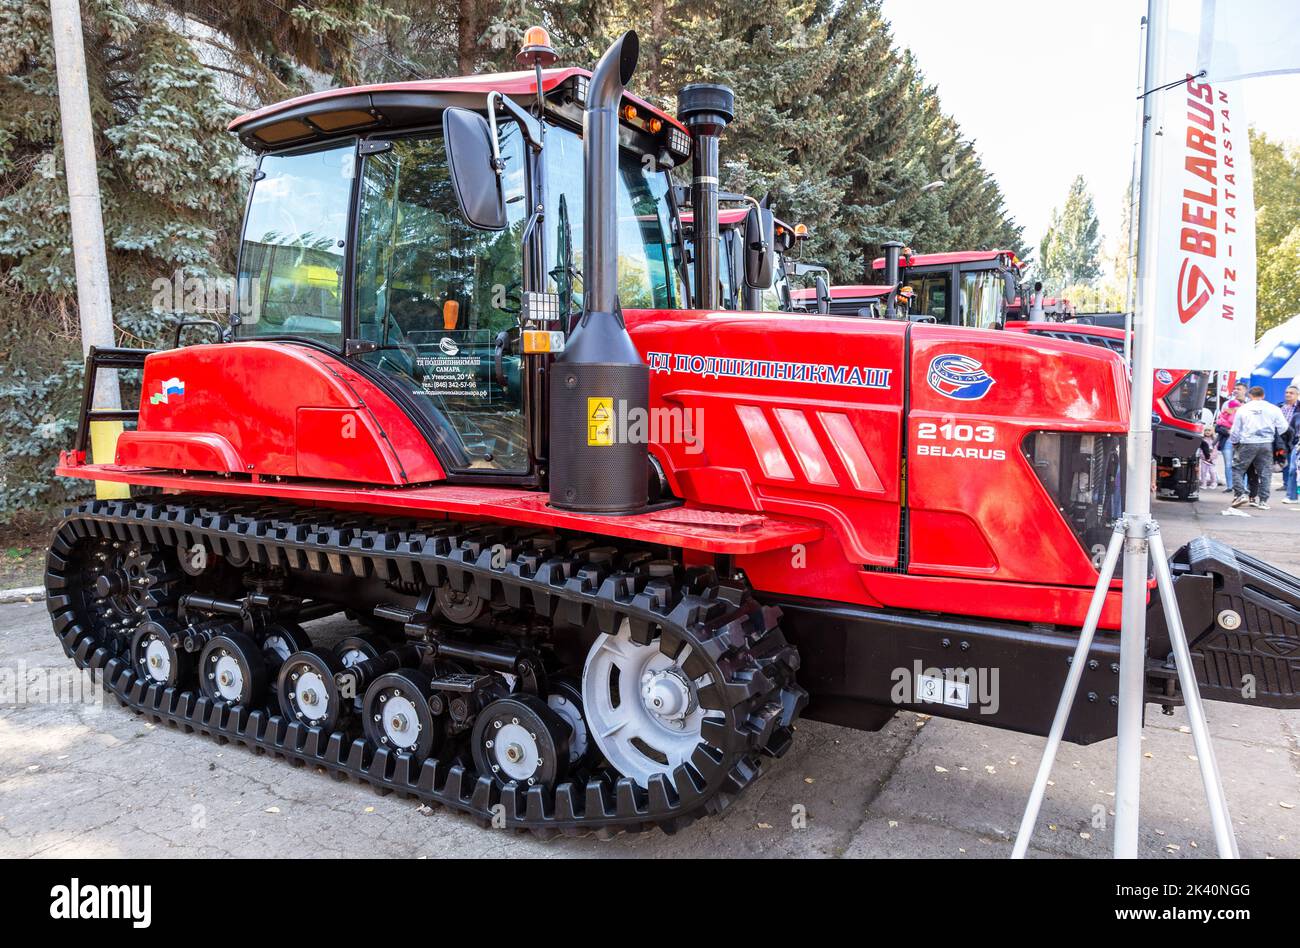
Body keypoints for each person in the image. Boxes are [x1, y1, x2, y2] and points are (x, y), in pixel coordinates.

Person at [1230, 386, 1288, 509]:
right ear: (1263, 395)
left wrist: (1235, 442)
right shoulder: (1274, 408)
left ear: (1250, 396)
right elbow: (1283, 426)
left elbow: (1235, 430)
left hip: (1248, 442)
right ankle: (1263, 501)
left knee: (1238, 468)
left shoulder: (1243, 409)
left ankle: (1241, 494)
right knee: (1265, 472)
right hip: (1267, 442)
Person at [1279, 384, 1300, 504]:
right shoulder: (1296, 416)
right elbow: (1291, 431)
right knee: (1292, 469)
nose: (1288, 395)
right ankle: (1291, 496)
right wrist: (1291, 444)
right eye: (1286, 392)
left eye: (1291, 393)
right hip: (1296, 446)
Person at [1215, 398, 1240, 491]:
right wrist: (1228, 432)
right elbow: (1217, 428)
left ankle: (1242, 486)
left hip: (1239, 442)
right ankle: (1230, 486)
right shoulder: (1223, 415)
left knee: (1241, 465)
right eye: (1232, 407)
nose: (1233, 409)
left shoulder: (1242, 416)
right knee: (1228, 464)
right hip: (1227, 442)